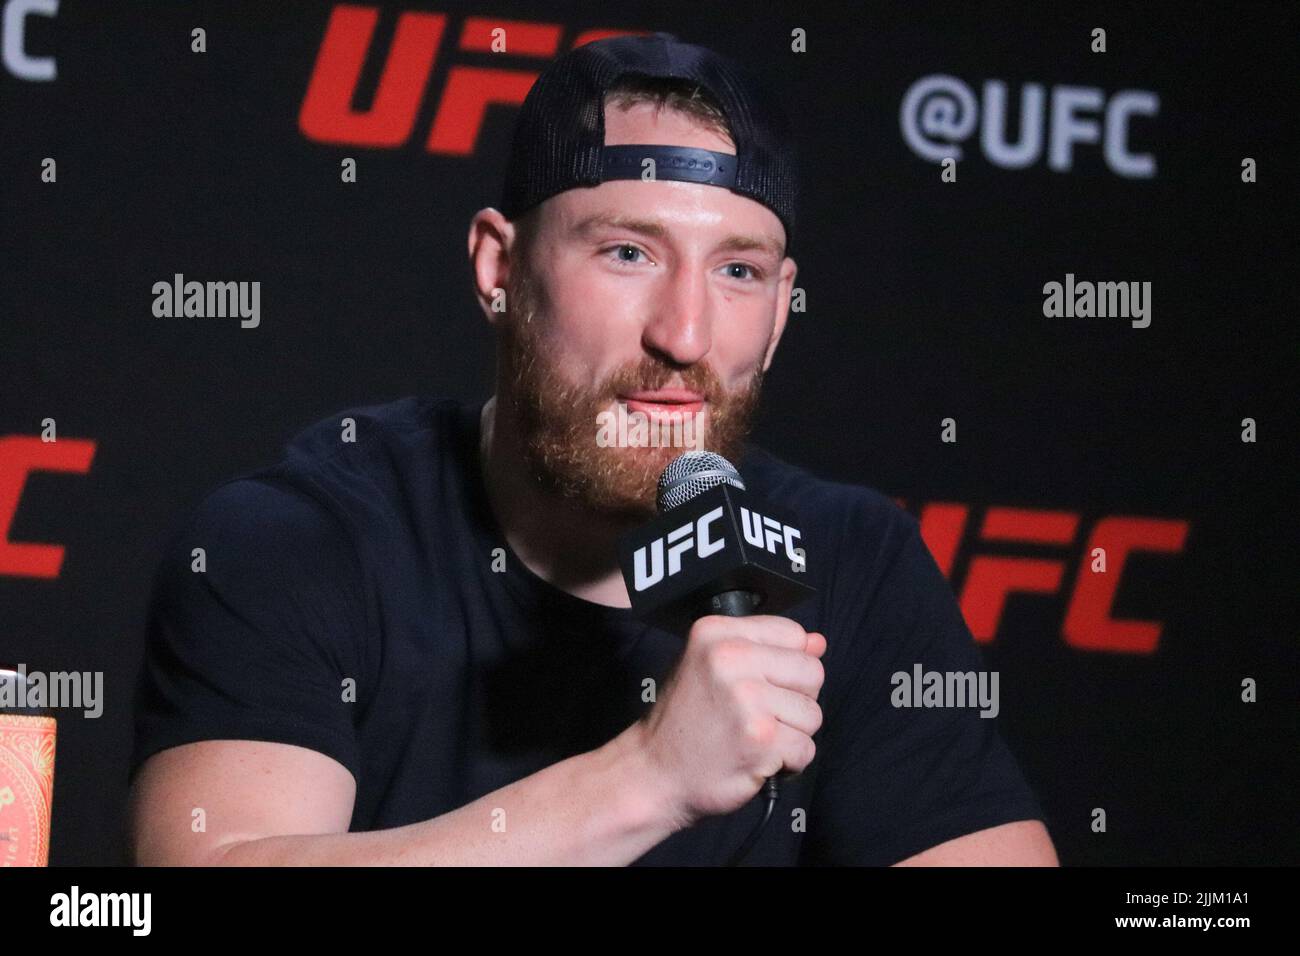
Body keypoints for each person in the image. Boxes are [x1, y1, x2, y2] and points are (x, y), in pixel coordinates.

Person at [127, 33, 1057, 866]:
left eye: (738, 271)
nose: (685, 335)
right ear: (500, 270)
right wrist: (649, 778)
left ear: (779, 314)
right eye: (628, 253)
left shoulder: (852, 558)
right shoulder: (299, 538)